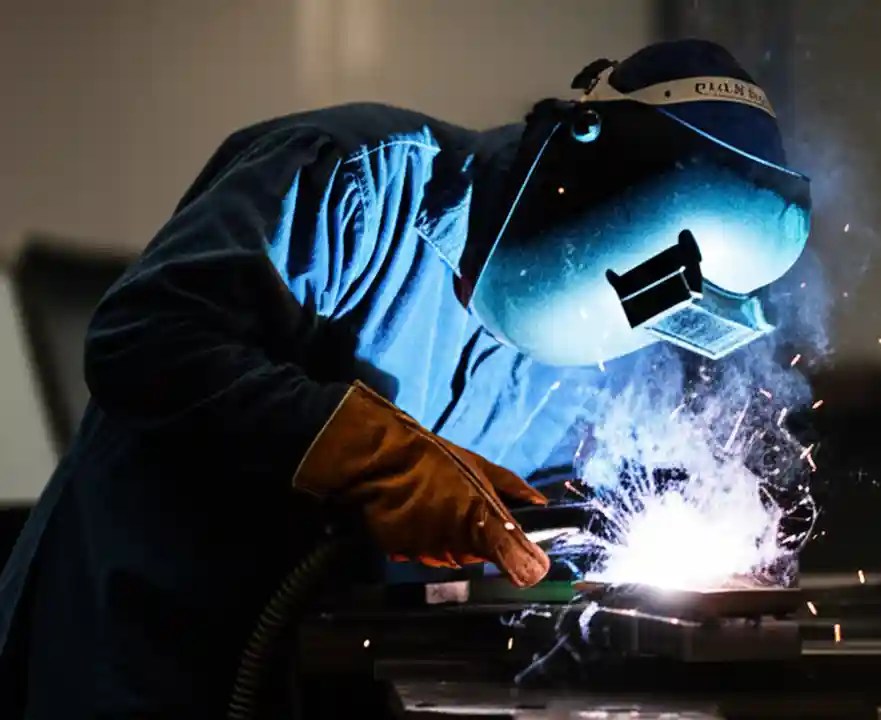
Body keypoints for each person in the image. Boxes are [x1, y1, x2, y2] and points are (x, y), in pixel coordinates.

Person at [0, 39, 812, 718]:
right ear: (586, 160)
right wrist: (368, 453)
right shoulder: (356, 182)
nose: (636, 319)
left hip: (344, 682)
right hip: (131, 656)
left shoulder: (619, 357)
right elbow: (142, 338)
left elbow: (573, 515)